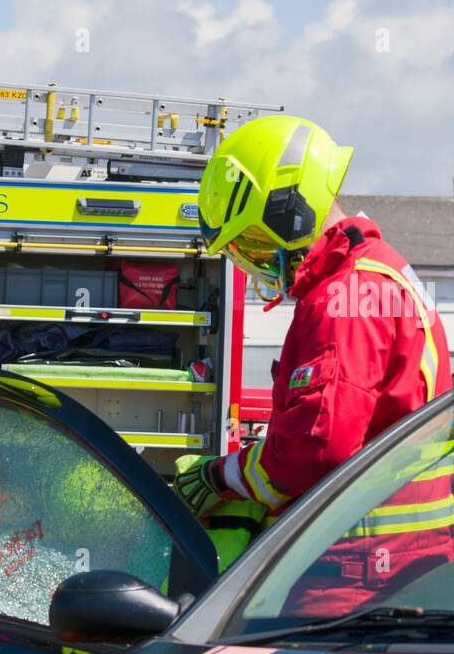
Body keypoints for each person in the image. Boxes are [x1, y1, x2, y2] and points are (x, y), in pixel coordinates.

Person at [176, 115, 453, 609]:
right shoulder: (373, 271)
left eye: (256, 245)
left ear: (292, 215)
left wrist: (220, 476)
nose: (258, 265)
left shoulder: (344, 297)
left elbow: (315, 453)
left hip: (357, 568)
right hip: (398, 563)